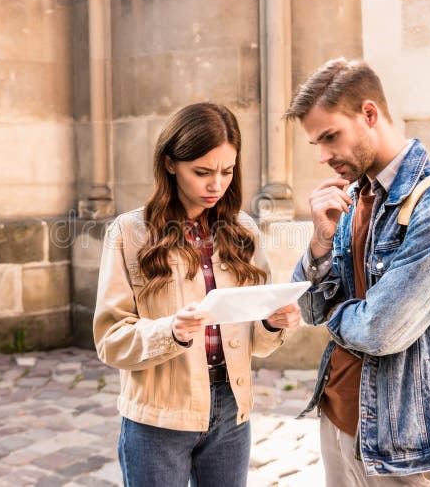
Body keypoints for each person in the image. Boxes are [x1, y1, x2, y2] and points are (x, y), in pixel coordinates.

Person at [288, 59, 430, 486]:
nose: (323, 157)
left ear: (369, 114)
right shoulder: (353, 196)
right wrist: (321, 243)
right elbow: (306, 307)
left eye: (330, 137)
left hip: (407, 442)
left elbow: (382, 331)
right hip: (338, 416)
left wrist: (336, 314)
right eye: (316, 144)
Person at [94, 102, 301, 487]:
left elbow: (257, 342)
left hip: (231, 410)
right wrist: (171, 331)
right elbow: (110, 341)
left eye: (227, 171)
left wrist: (272, 324)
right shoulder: (128, 233)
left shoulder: (244, 231)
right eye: (202, 172)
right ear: (171, 163)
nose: (216, 185)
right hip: (158, 419)